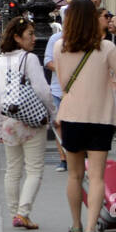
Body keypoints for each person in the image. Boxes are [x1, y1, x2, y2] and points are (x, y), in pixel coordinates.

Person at [53, 0, 116, 232]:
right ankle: (92, 228)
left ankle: (76, 225)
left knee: (74, 175)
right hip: (101, 119)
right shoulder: (106, 48)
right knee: (96, 176)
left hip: (72, 116)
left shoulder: (60, 47)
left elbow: (63, 85)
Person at [0, 16, 55, 230]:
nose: (34, 39)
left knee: (12, 170)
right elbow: (42, 90)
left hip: (9, 122)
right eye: (30, 35)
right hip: (30, 122)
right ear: (18, 38)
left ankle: (13, 213)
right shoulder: (29, 59)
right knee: (35, 169)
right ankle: (23, 212)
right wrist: (52, 112)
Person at [43, 18, 68, 171]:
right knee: (59, 125)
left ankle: (77, 153)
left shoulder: (85, 39)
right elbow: (47, 61)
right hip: (58, 89)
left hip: (77, 91)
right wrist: (64, 69)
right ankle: (63, 158)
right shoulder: (55, 39)